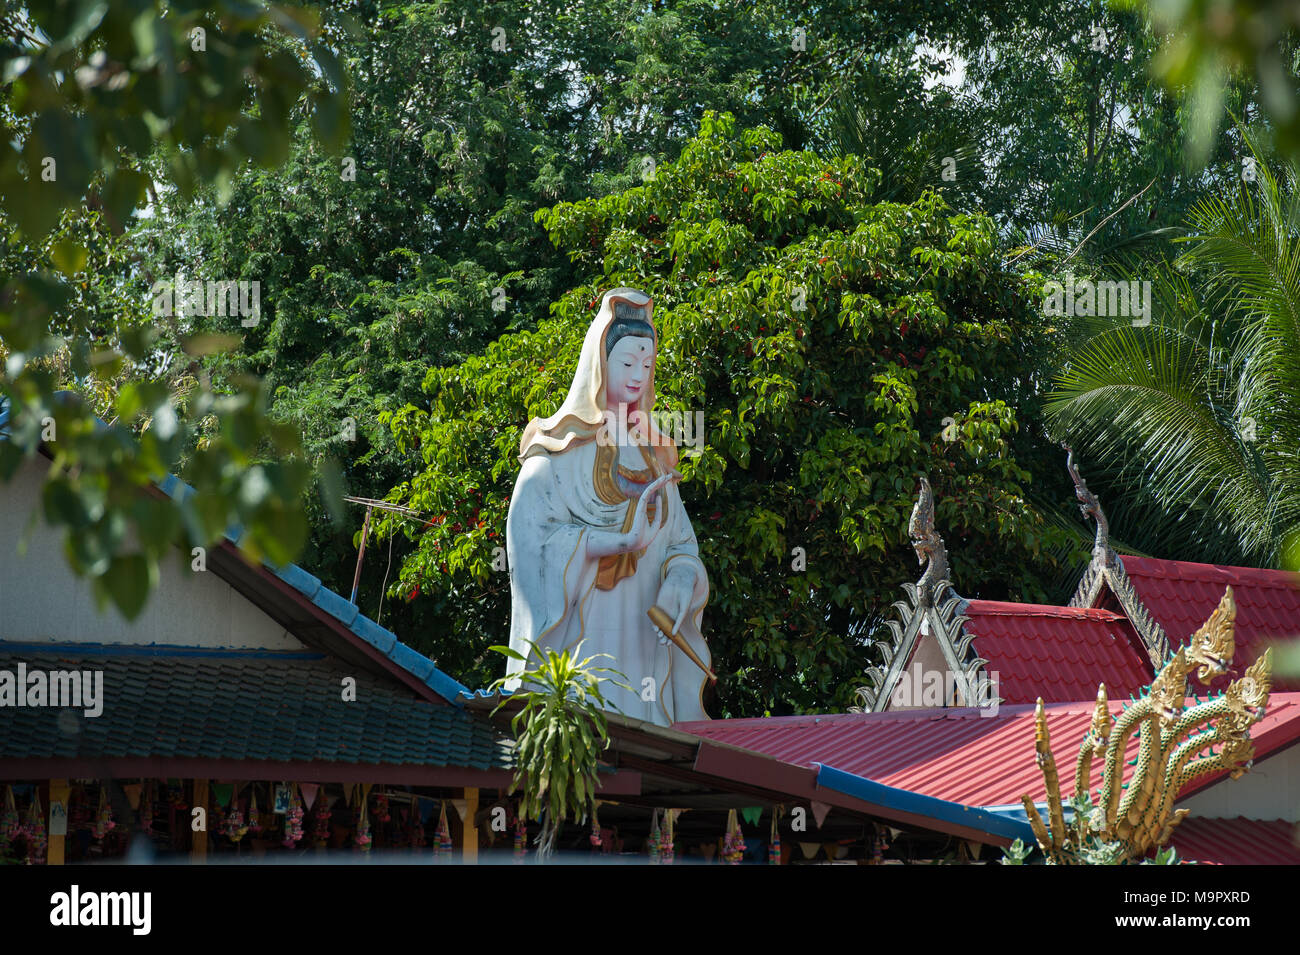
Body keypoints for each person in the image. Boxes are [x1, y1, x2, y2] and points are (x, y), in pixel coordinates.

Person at [504, 287, 712, 726]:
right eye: (627, 362)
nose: (638, 375)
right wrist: (613, 542)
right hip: (582, 654)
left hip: (643, 652)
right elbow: (532, 541)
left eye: (647, 365)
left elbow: (683, 546)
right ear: (600, 364)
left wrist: (679, 580)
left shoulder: (656, 459)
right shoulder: (558, 457)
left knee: (642, 755)